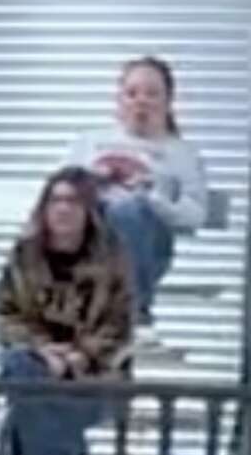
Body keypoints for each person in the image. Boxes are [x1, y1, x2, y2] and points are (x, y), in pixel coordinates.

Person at [0, 166, 135, 455]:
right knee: (20, 370)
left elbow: (119, 325)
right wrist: (43, 349)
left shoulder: (114, 259)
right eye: (55, 200)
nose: (63, 209)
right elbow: (3, 313)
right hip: (37, 371)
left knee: (22, 421)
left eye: (72, 201)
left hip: (92, 380)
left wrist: (77, 356)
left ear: (89, 210)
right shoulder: (25, 256)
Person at [61, 56, 209, 330]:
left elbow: (195, 215)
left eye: (152, 94)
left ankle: (129, 313)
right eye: (132, 93)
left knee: (131, 209)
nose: (141, 101)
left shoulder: (181, 153)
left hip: (146, 248)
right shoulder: (89, 142)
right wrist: (90, 185)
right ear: (119, 100)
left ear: (168, 101)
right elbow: (59, 197)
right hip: (89, 244)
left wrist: (155, 197)